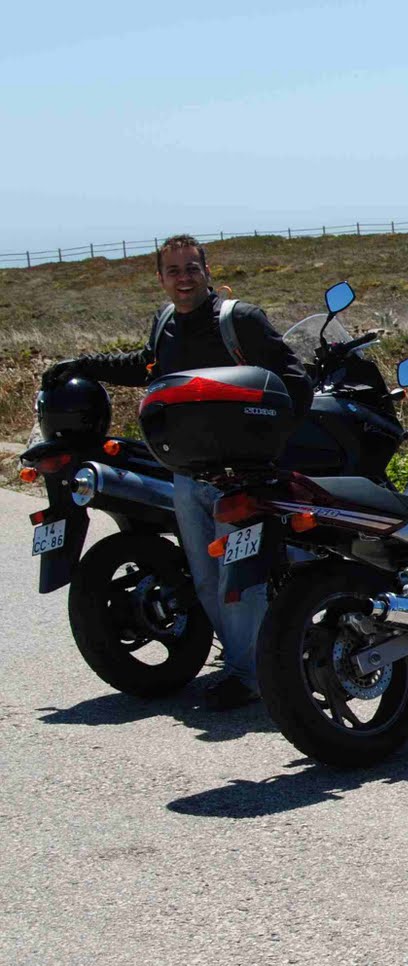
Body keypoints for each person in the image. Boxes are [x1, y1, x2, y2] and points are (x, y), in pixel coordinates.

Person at [41, 235, 311, 711]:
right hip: (187, 475)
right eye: (173, 270)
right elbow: (145, 366)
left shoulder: (240, 321)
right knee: (207, 578)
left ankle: (248, 675)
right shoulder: (165, 322)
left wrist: (270, 447)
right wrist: (83, 365)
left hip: (242, 476)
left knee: (238, 579)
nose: (184, 278)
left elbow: (294, 383)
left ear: (207, 270)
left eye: (191, 268)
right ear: (161, 278)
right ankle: (250, 661)